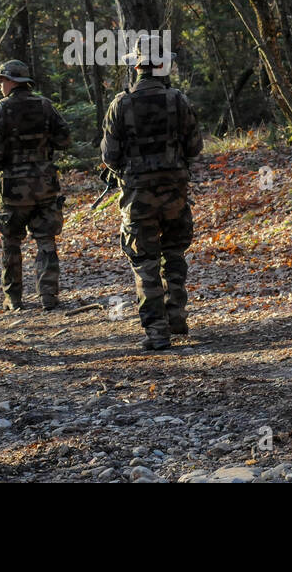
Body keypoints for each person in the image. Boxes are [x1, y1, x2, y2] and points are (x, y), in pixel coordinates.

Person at [100, 36, 202, 349]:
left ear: (138, 65)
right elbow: (195, 147)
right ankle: (176, 317)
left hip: (137, 194)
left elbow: (109, 156)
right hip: (174, 190)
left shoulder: (121, 103)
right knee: (173, 252)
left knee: (144, 260)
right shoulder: (178, 100)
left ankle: (157, 333)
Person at [0, 60, 71, 311]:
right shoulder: (45, 106)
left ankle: (13, 298)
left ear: (12, 82)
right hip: (45, 184)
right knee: (46, 241)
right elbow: (65, 139)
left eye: (2, 81)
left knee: (11, 241)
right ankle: (49, 296)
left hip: (13, 188)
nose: (0, 85)